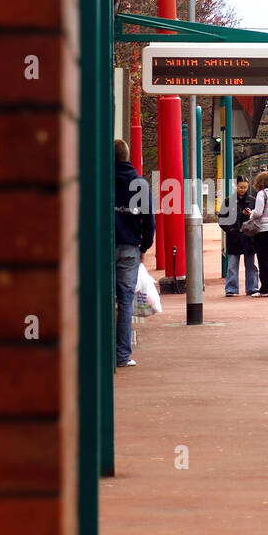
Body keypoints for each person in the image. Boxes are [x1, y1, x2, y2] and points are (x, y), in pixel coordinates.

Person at [113, 138, 154, 368]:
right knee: (125, 301)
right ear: (127, 156)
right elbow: (148, 219)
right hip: (129, 247)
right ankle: (122, 355)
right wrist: (144, 246)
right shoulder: (139, 184)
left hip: (106, 246)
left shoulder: (103, 180)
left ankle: (102, 348)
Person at [219, 175, 259, 296]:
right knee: (232, 265)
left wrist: (249, 215)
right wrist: (230, 230)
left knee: (251, 264)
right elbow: (222, 219)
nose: (243, 190)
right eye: (241, 187)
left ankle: (252, 287)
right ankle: (231, 288)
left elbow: (257, 217)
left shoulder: (252, 200)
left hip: (249, 236)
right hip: (234, 236)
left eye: (245, 187)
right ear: (236, 186)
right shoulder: (228, 201)